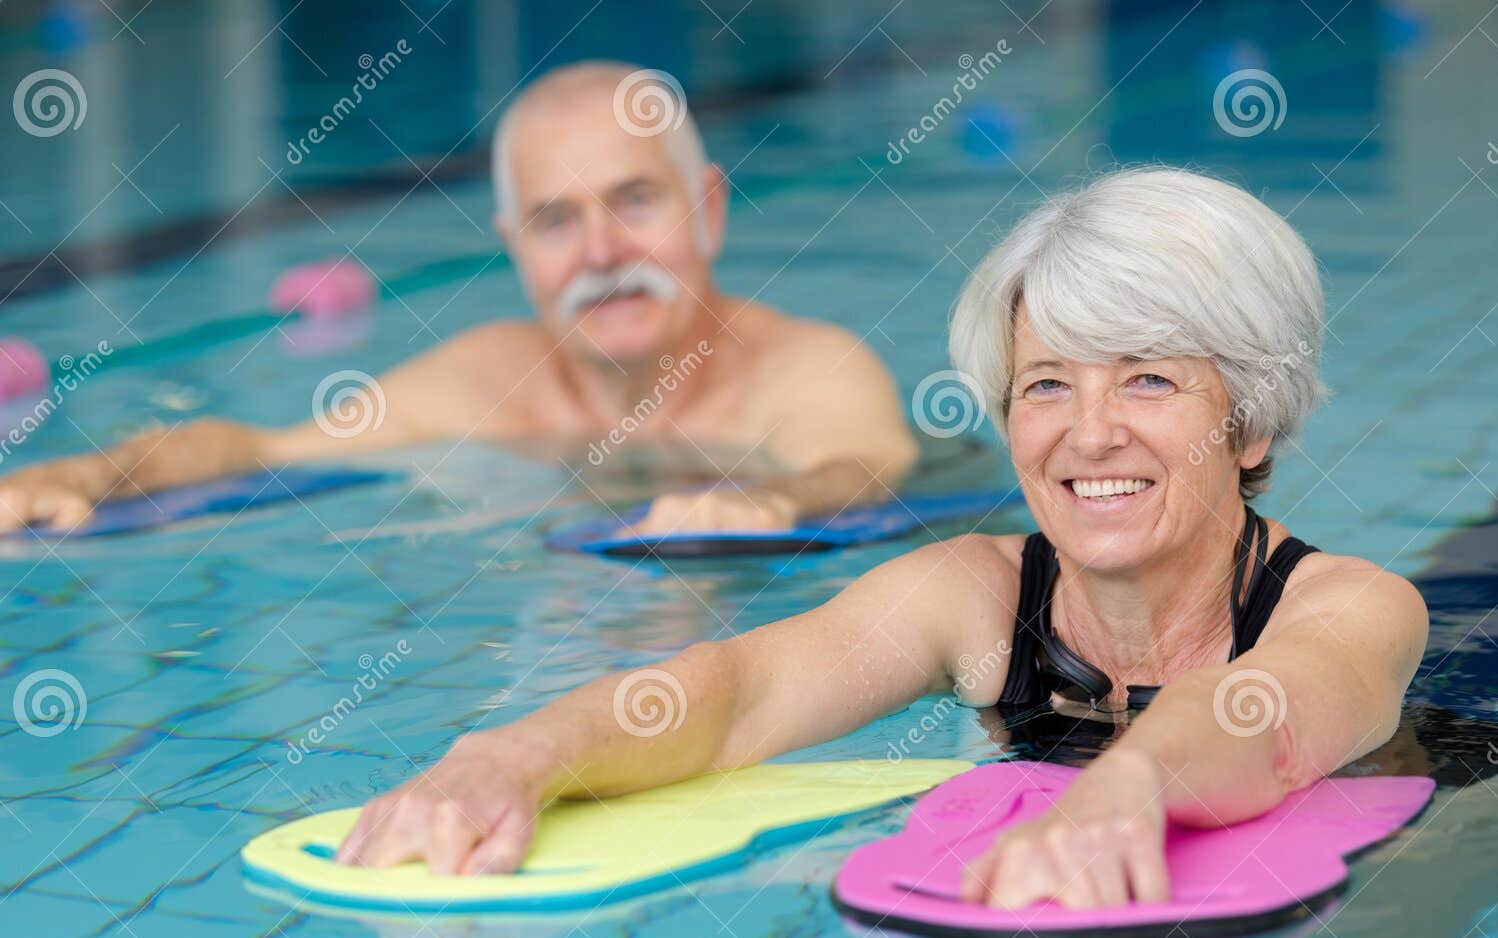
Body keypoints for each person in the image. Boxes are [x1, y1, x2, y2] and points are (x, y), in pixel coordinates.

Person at [336, 166, 1427, 911]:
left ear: (1251, 422)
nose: (1089, 433)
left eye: (1147, 377)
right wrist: (504, 760)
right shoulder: (975, 595)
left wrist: (1123, 788)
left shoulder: (1352, 608)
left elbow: (1258, 721)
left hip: (1393, 874)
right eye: (1046, 384)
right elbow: (731, 694)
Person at [0, 62, 915, 536]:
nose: (601, 251)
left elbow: (862, 468)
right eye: (557, 221)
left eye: (635, 201)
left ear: (708, 208)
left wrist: (772, 502)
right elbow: (255, 447)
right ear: (517, 252)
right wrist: (84, 475)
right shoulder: (487, 381)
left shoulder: (808, 369)